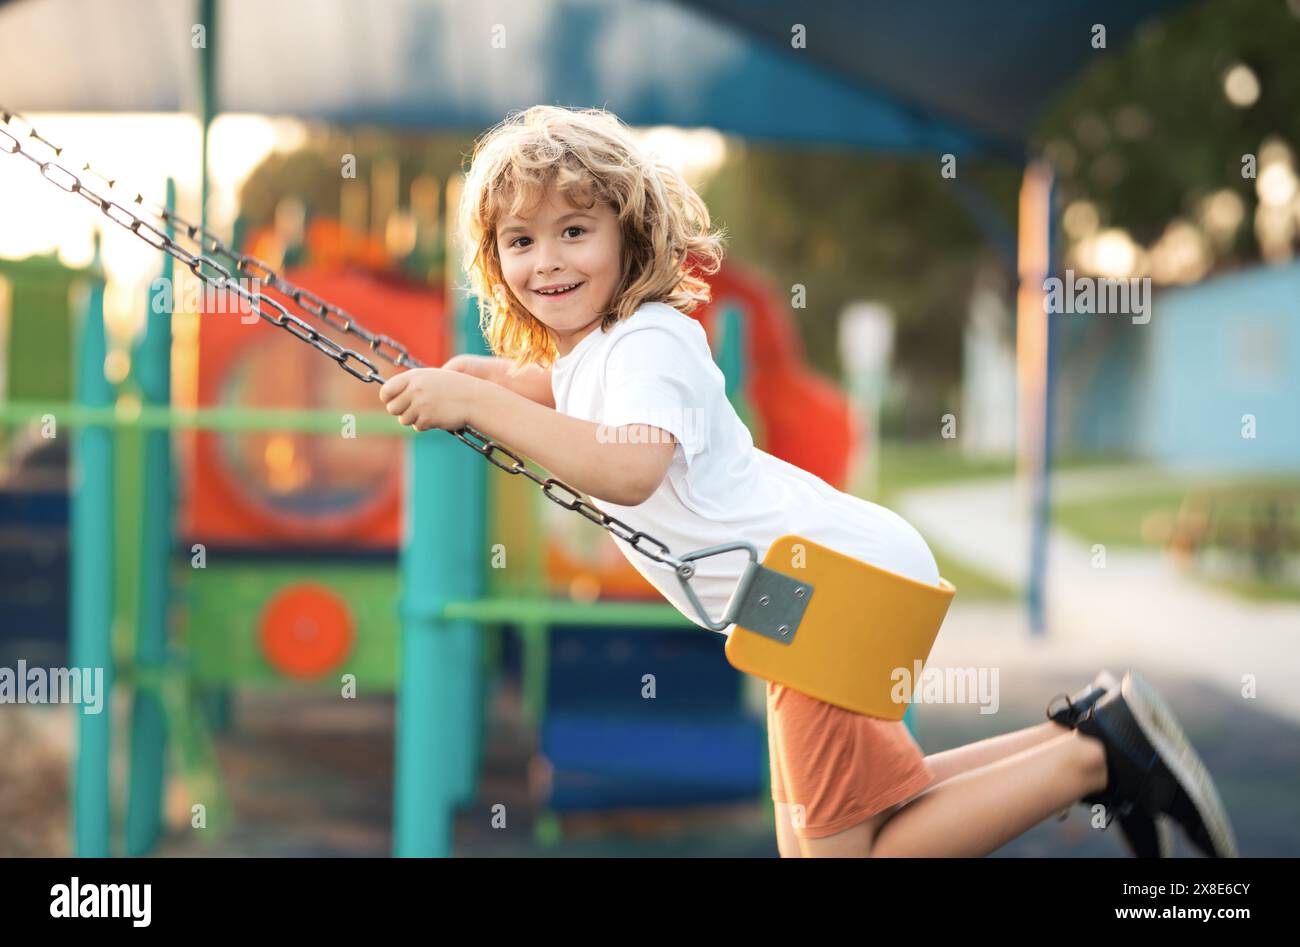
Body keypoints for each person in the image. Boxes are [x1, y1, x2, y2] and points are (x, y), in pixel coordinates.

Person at [377, 105, 1236, 858]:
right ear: (495, 261)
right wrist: (484, 379)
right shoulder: (597, 354)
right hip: (805, 596)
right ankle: (1086, 732)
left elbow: (629, 467)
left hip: (822, 590)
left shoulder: (648, 341)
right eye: (520, 242)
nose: (547, 261)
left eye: (575, 231)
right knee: (846, 827)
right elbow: (556, 390)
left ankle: (1092, 758)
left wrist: (474, 404)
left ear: (632, 235)